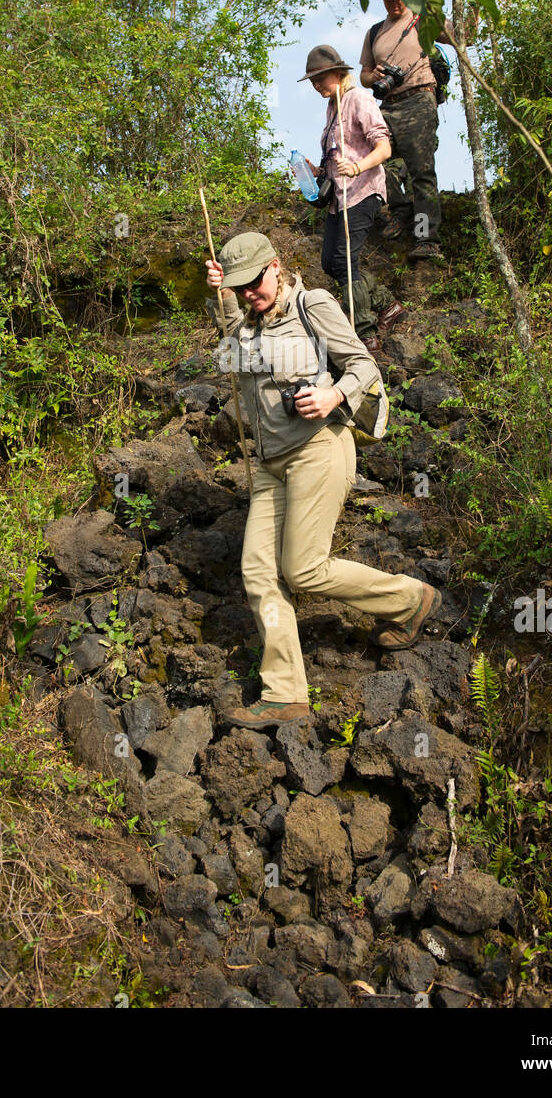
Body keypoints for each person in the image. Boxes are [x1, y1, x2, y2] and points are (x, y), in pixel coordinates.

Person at [204, 231, 442, 730]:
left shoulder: (313, 304)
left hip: (319, 448)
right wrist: (221, 295)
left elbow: (363, 364)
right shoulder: (247, 320)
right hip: (271, 464)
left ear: (275, 266)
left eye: (254, 284)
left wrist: (333, 395)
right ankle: (284, 692)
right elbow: (234, 343)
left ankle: (410, 598)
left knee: (304, 569)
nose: (250, 294)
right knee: (259, 573)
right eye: (240, 288)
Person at [298, 43, 406, 353]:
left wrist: (357, 167)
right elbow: (340, 155)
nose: (317, 86)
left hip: (363, 191)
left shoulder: (359, 99)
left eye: (320, 79)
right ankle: (386, 304)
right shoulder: (332, 107)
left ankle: (364, 332)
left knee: (346, 259)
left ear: (338, 73)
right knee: (330, 262)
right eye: (313, 81)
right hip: (338, 198)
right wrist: (317, 170)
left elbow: (383, 148)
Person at [359, 0, 457, 262]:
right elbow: (363, 74)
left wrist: (467, 2)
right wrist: (372, 75)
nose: (394, 5)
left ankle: (427, 239)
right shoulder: (375, 31)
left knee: (421, 172)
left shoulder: (422, 21)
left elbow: (463, 37)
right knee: (370, 158)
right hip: (387, 105)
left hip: (419, 100)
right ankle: (400, 211)